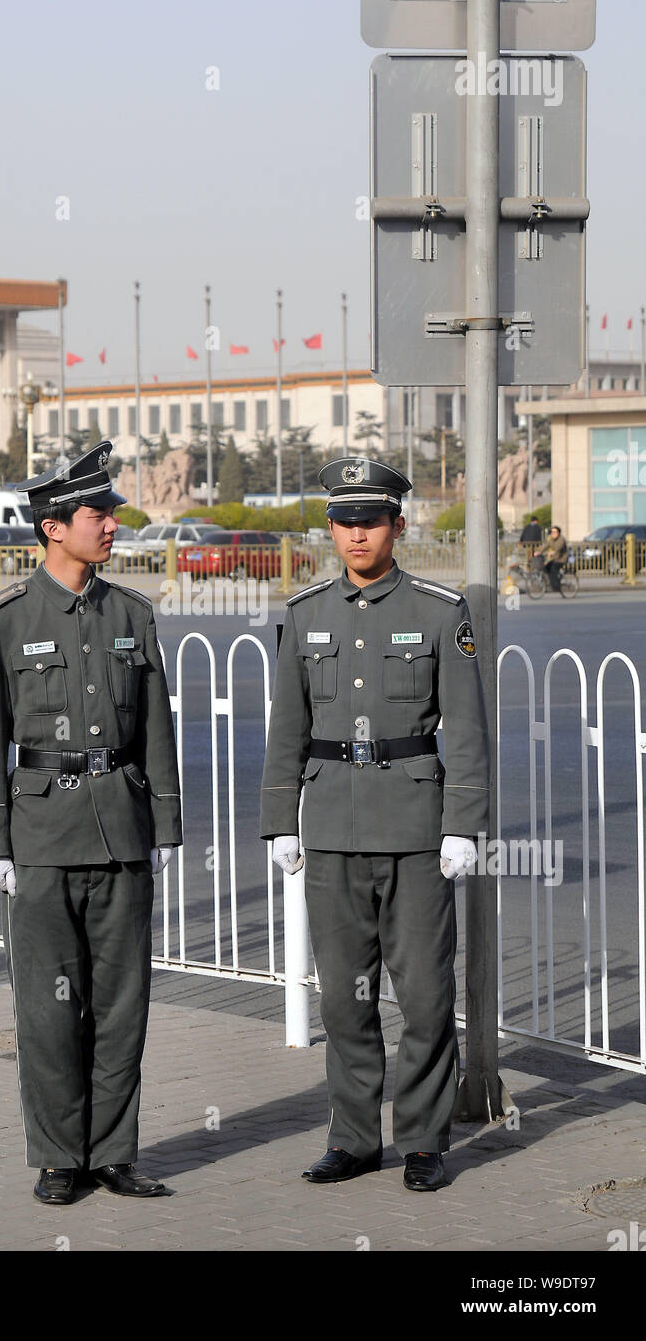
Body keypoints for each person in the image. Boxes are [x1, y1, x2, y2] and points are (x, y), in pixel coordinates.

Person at [0, 441, 182, 1206]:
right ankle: (58, 1156)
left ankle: (113, 1152)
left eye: (111, 513)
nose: (112, 526)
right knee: (48, 1012)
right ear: (54, 528)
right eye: (97, 514)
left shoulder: (132, 614)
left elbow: (156, 730)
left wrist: (165, 828)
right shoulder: (1, 621)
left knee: (122, 1005)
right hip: (41, 840)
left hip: (120, 829)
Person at [260, 458, 489, 1193]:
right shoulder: (302, 615)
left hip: (417, 827)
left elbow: (466, 728)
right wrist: (278, 820)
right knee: (343, 996)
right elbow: (286, 729)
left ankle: (423, 1139)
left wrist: (462, 822)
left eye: (370, 520)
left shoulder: (436, 610)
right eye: (343, 521)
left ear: (397, 524)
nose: (356, 534)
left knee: (423, 994)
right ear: (329, 528)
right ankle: (354, 1138)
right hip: (330, 827)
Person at [543, 525, 568, 591]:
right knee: (546, 567)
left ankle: (556, 585)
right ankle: (552, 581)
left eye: (554, 532)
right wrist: (539, 552)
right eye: (552, 532)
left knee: (553, 569)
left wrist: (553, 552)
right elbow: (546, 546)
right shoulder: (551, 540)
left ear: (558, 533)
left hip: (562, 559)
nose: (553, 534)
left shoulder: (561, 539)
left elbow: (559, 548)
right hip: (555, 558)